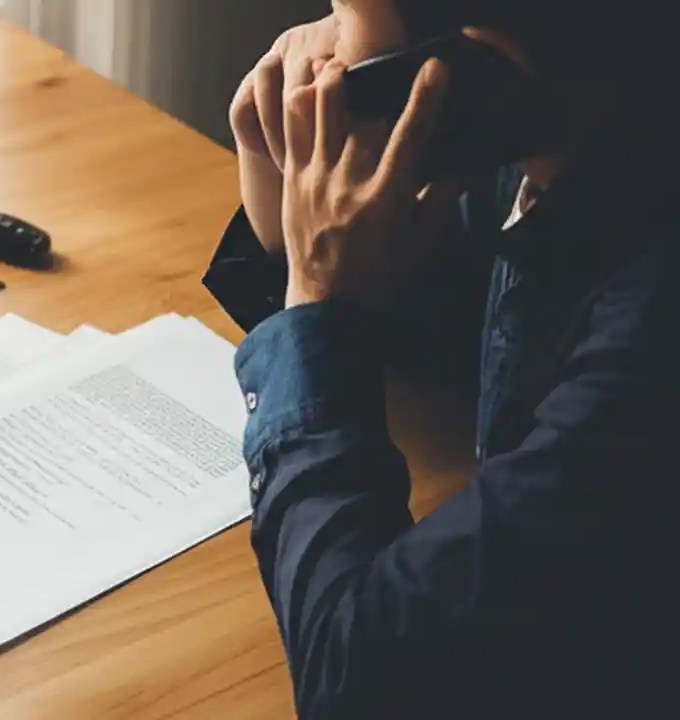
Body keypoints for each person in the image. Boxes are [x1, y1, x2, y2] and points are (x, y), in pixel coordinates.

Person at [203, 1, 679, 717]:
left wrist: (318, 302)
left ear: (474, 66)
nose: (324, 46)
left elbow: (353, 679)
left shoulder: (648, 348)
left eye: (342, 16)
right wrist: (286, 233)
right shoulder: (553, 146)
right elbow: (440, 340)